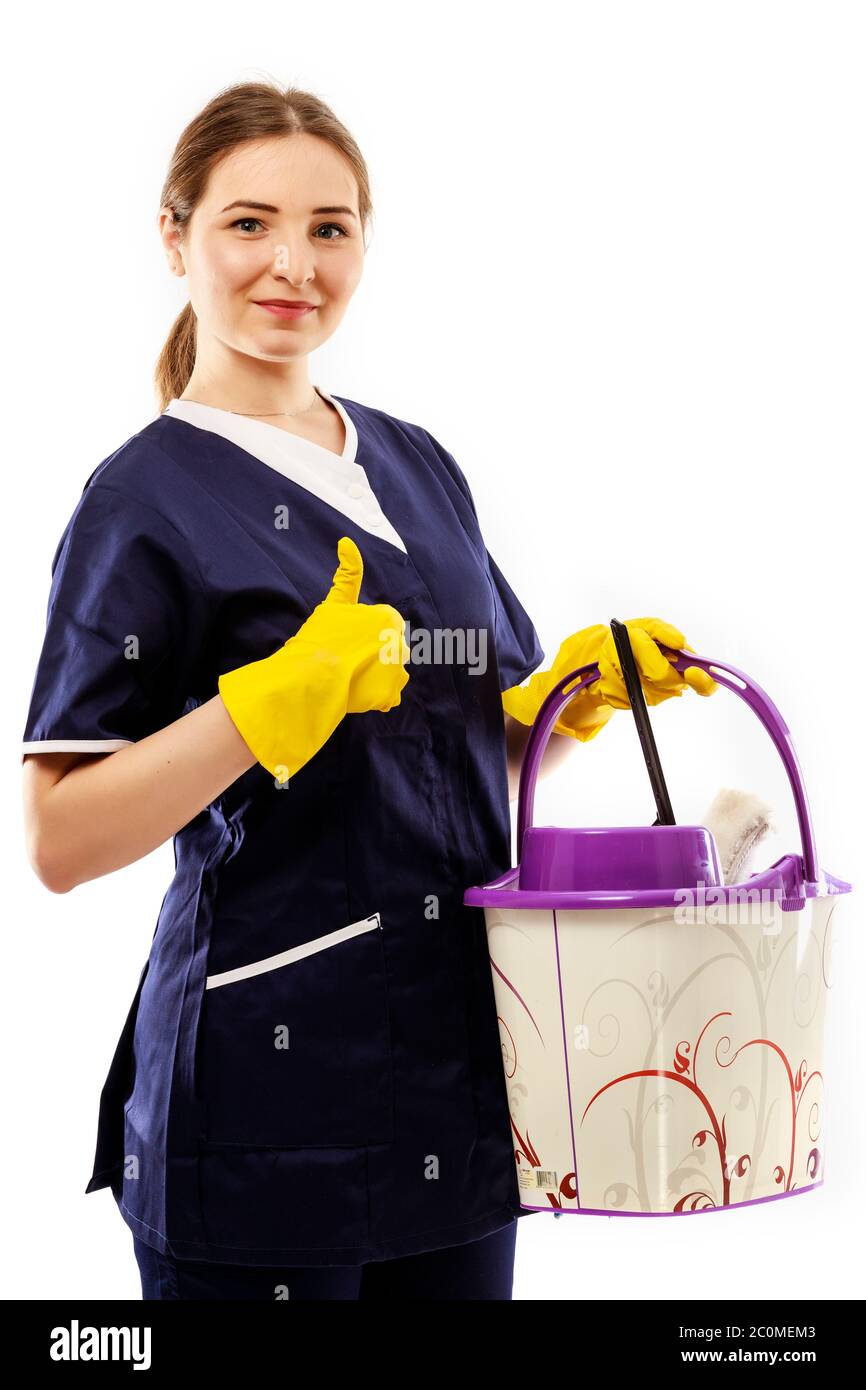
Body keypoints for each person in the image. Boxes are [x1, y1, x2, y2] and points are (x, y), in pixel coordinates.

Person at [20, 81, 715, 1302]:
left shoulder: (414, 460)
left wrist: (561, 709)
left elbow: (461, 772)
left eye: (330, 228)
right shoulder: (141, 501)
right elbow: (62, 836)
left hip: (455, 1086)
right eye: (248, 223)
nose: (292, 262)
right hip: (260, 1099)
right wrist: (256, 709)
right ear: (174, 236)